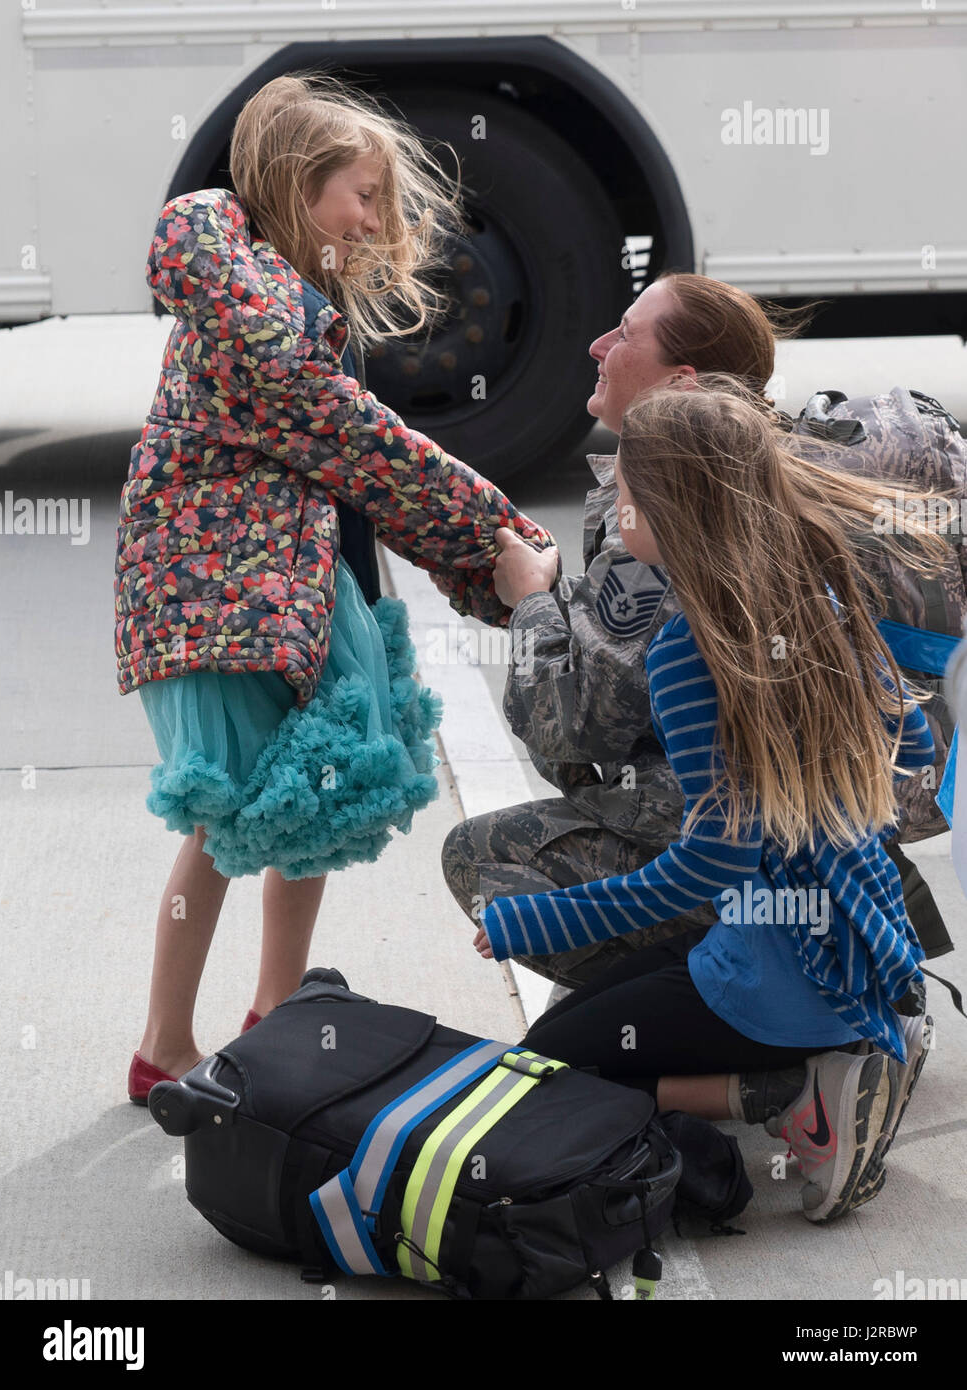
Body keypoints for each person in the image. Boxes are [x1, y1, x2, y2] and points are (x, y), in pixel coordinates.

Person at [115, 71, 557, 1103]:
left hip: (287, 582)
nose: (375, 220)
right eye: (359, 194)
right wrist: (492, 532)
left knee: (298, 797)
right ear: (293, 183)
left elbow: (349, 462)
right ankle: (166, 1044)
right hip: (226, 597)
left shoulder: (273, 296)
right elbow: (360, 446)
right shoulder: (251, 309)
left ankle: (273, 1008)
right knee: (229, 819)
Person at [472, 376, 950, 1222]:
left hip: (780, 970)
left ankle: (800, 1099)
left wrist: (531, 923)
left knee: (539, 1070)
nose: (616, 504)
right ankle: (837, 1053)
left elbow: (711, 860)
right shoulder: (820, 596)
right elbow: (914, 747)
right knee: (590, 1023)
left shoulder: (688, 649)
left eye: (623, 489)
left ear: (664, 508)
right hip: (862, 941)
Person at [442, 272, 952, 990]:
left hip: (739, 845)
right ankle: (854, 936)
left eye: (624, 334)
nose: (598, 345)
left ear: (680, 384)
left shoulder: (671, 528)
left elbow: (572, 724)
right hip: (835, 823)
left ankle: (745, 1005)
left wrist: (530, 601)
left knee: (480, 853)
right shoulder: (770, 469)